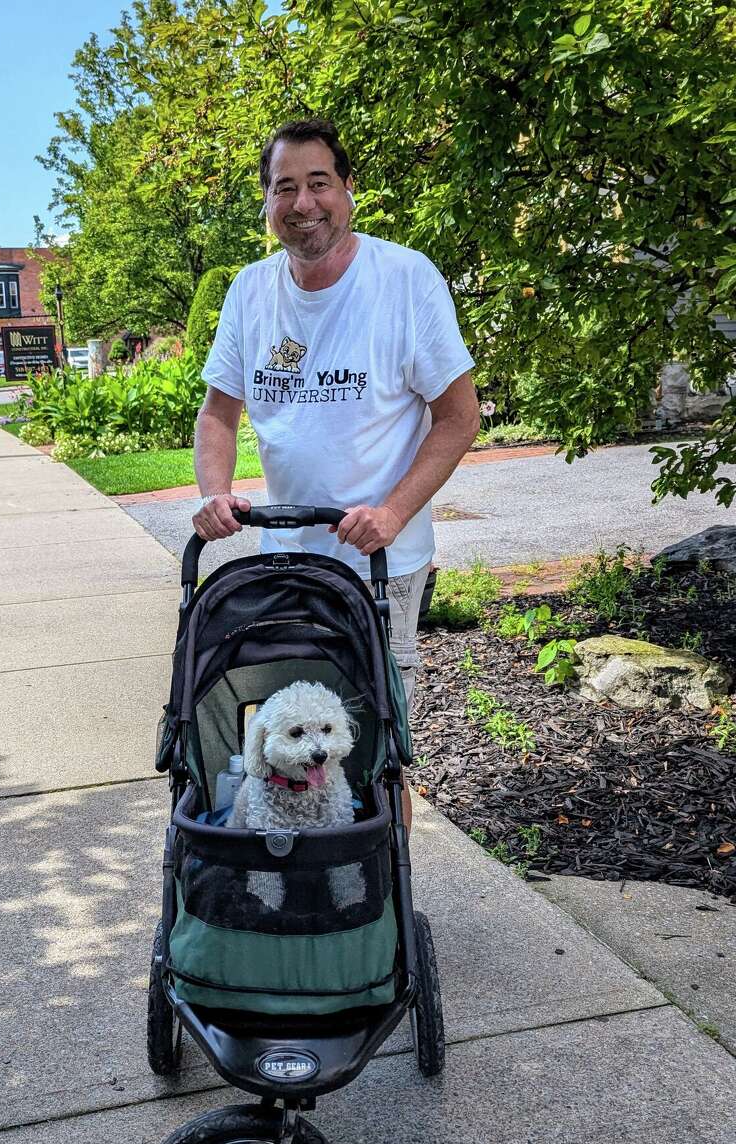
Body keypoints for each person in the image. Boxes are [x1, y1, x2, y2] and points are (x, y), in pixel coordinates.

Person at [192, 118, 480, 828]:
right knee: (281, 738)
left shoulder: (404, 279)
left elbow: (458, 416)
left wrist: (391, 512)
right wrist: (214, 490)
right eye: (284, 187)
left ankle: (383, 898)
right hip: (283, 562)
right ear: (266, 203)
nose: (303, 202)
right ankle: (293, 889)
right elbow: (217, 414)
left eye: (319, 182)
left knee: (380, 741)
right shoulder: (250, 292)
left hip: (380, 559)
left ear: (348, 190)